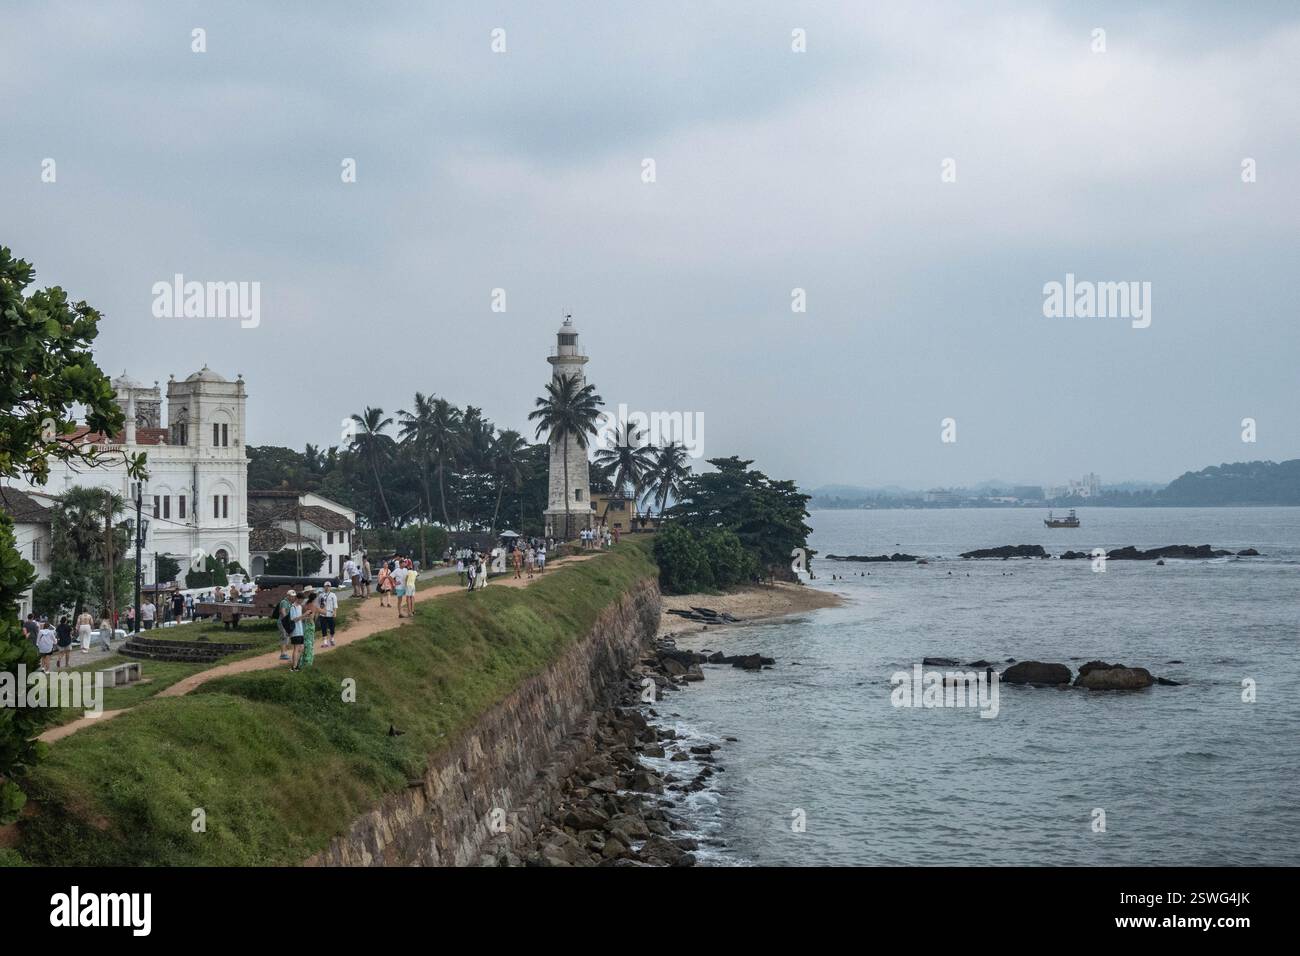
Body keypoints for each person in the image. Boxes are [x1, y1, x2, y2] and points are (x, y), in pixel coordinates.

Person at [294, 589, 318, 671]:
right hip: (310, 626)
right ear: (314, 599)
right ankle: (308, 662)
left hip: (303, 625)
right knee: (309, 644)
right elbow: (311, 617)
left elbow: (302, 615)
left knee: (304, 643)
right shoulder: (313, 606)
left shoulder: (304, 605)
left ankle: (301, 662)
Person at [276, 589, 296, 661]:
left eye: (294, 596)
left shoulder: (290, 603)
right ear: (288, 596)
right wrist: (287, 621)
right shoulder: (284, 602)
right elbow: (283, 611)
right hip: (283, 622)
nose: (293, 597)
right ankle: (283, 654)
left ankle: (284, 653)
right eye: (291, 596)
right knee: (284, 636)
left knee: (286, 636)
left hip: (286, 622)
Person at [287, 592, 305, 669]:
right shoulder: (292, 607)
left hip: (300, 630)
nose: (302, 601)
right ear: (298, 599)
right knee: (296, 648)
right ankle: (294, 666)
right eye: (301, 600)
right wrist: (304, 615)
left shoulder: (300, 607)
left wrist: (306, 617)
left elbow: (299, 618)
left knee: (301, 648)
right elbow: (293, 619)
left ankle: (296, 664)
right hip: (295, 631)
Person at [318, 581, 338, 648]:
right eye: (326, 586)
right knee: (323, 628)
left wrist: (335, 612)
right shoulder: (321, 595)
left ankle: (332, 639)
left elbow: (335, 604)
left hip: (330, 613)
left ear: (330, 587)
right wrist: (319, 610)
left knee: (332, 627)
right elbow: (319, 604)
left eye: (329, 586)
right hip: (322, 614)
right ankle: (325, 642)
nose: (327, 587)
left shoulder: (333, 595)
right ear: (324, 587)